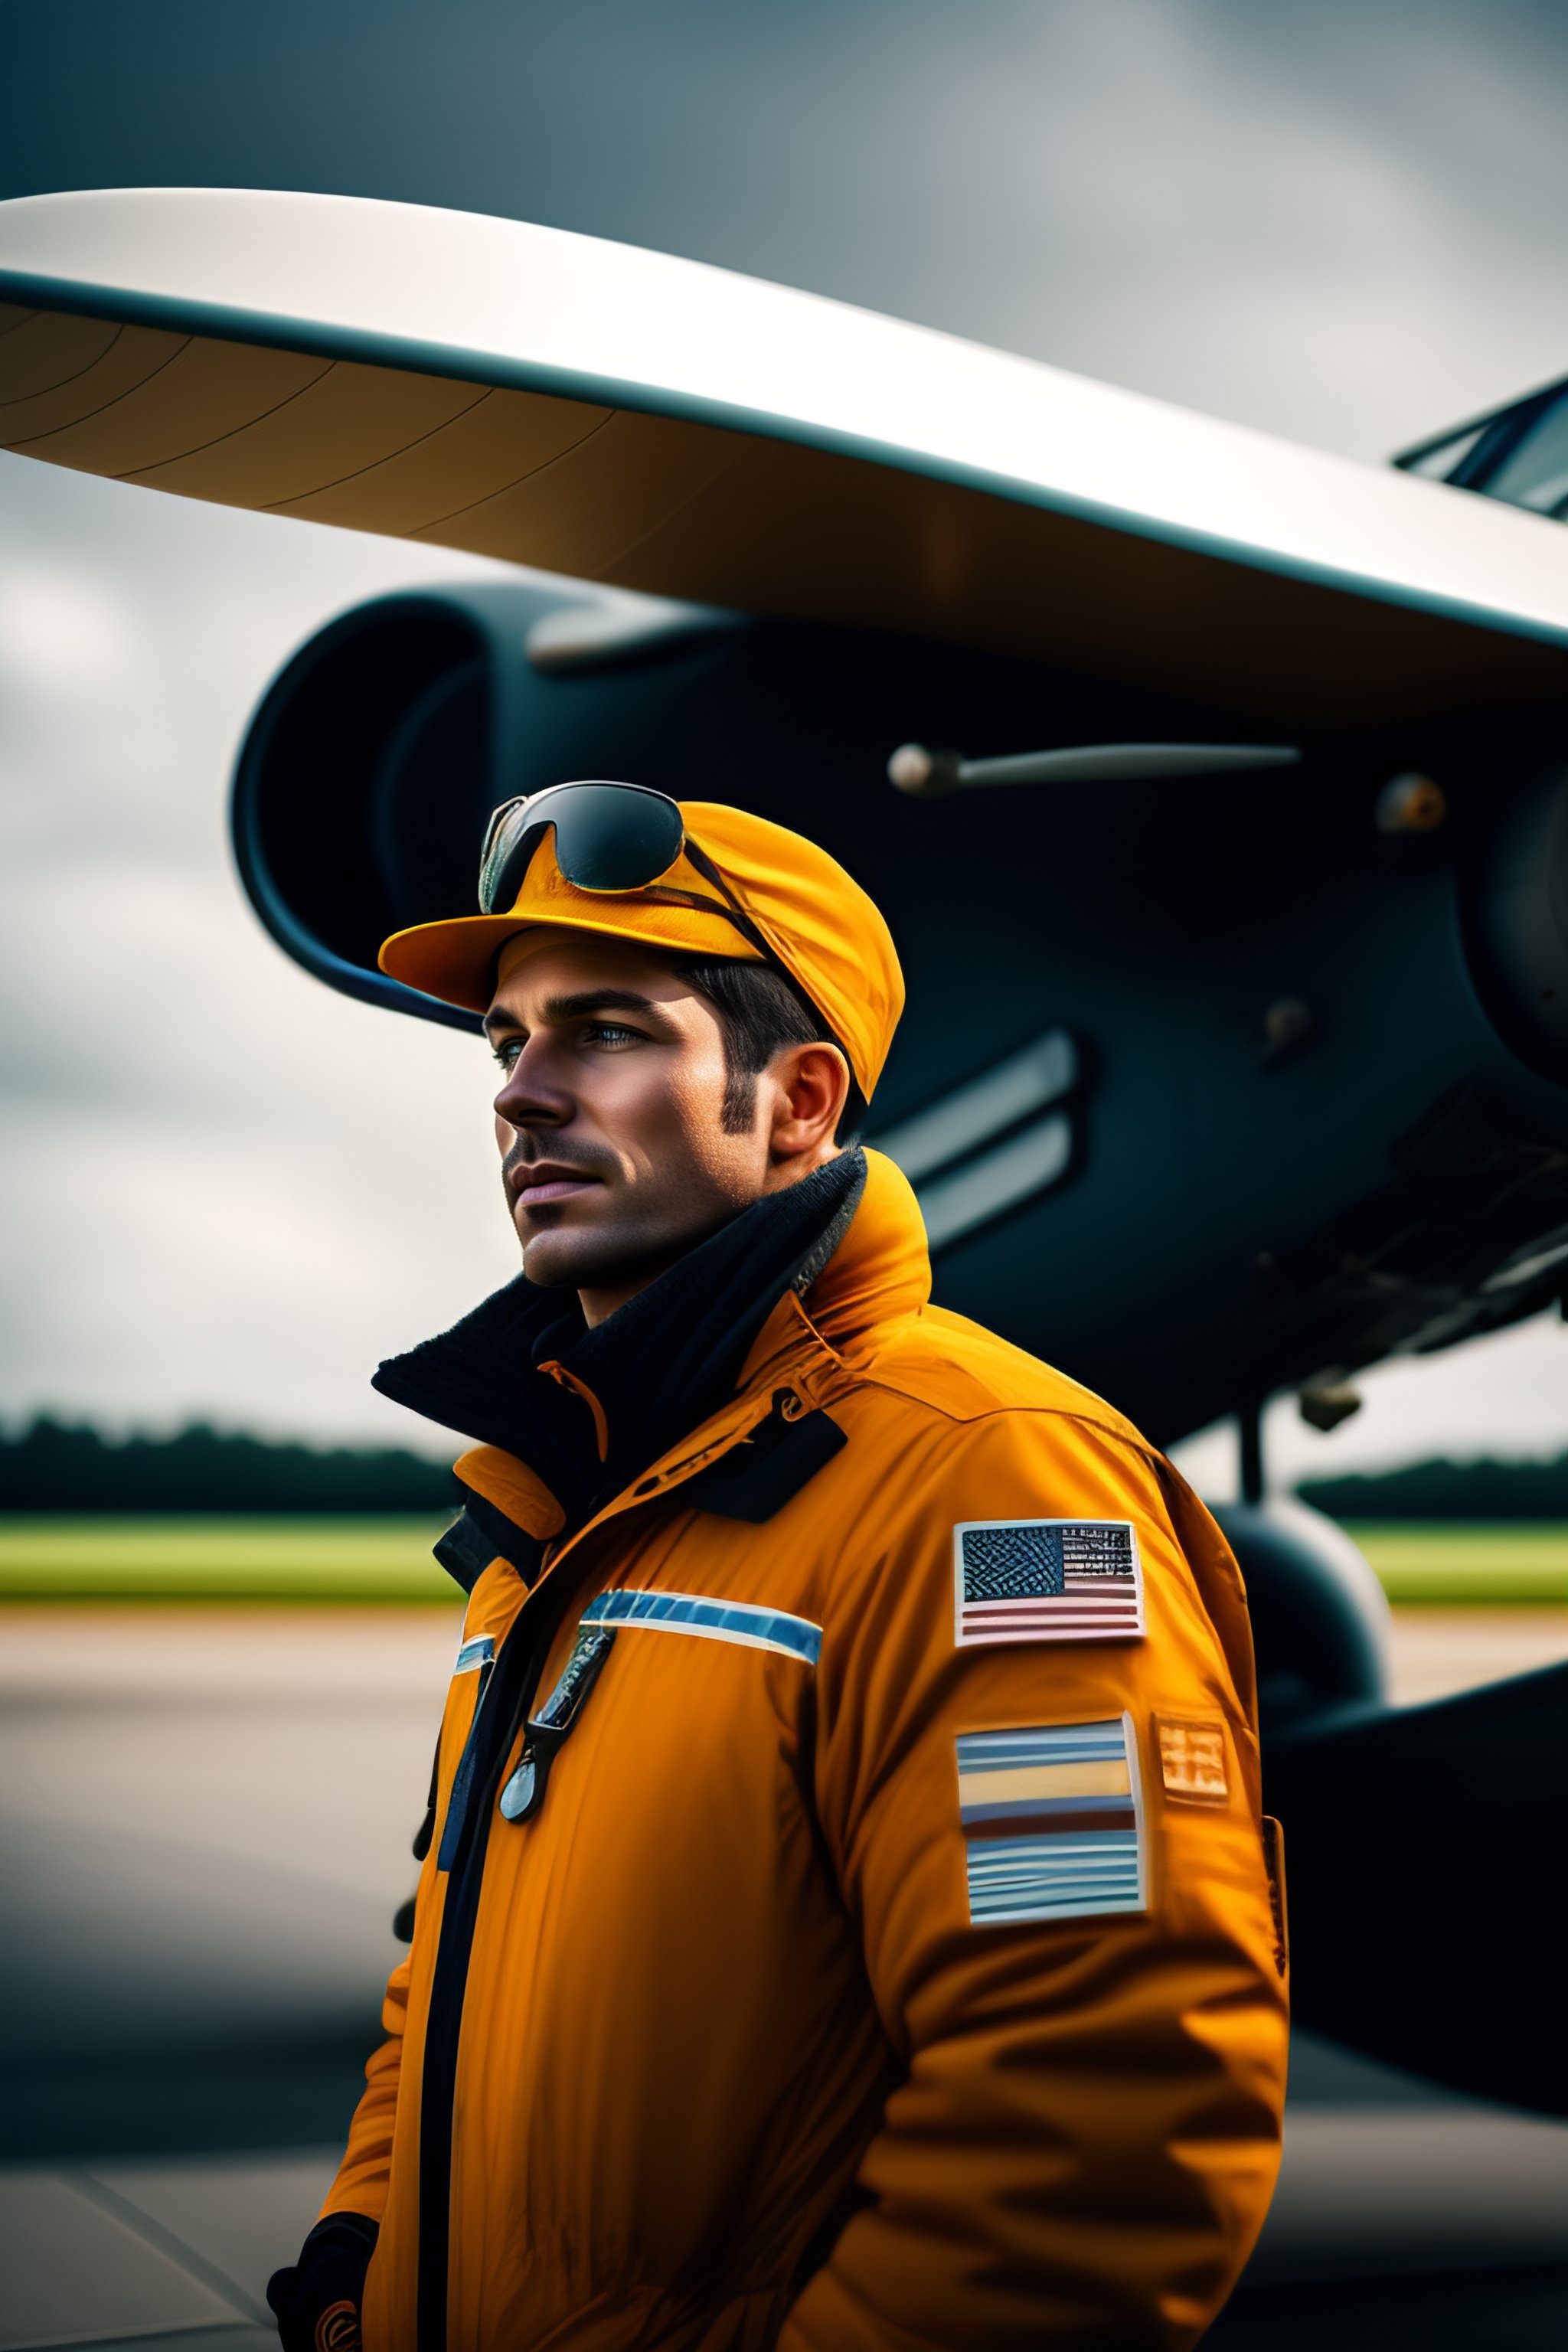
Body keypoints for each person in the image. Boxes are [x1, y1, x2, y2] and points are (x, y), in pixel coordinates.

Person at [268, 782, 1289, 2352]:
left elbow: (1097, 2123)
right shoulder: (550, 1511)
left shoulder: (996, 1482)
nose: (522, 1094)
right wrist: (357, 2258)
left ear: (798, 1102)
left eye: (604, 1029)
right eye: (504, 1043)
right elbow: (444, 1977)